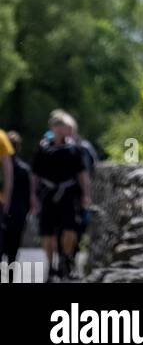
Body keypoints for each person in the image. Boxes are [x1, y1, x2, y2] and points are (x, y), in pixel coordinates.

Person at [32, 109, 91, 282]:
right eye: (66, 126)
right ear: (56, 128)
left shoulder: (75, 149)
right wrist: (33, 196)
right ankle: (51, 266)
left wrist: (86, 195)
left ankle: (66, 261)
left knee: (70, 230)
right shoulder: (43, 149)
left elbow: (82, 174)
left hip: (69, 195)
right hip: (48, 195)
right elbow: (35, 175)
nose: (70, 130)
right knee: (47, 233)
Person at [1, 132, 35, 270]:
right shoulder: (24, 169)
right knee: (13, 248)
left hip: (4, 208)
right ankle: (9, 277)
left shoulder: (3, 167)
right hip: (18, 212)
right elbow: (30, 194)